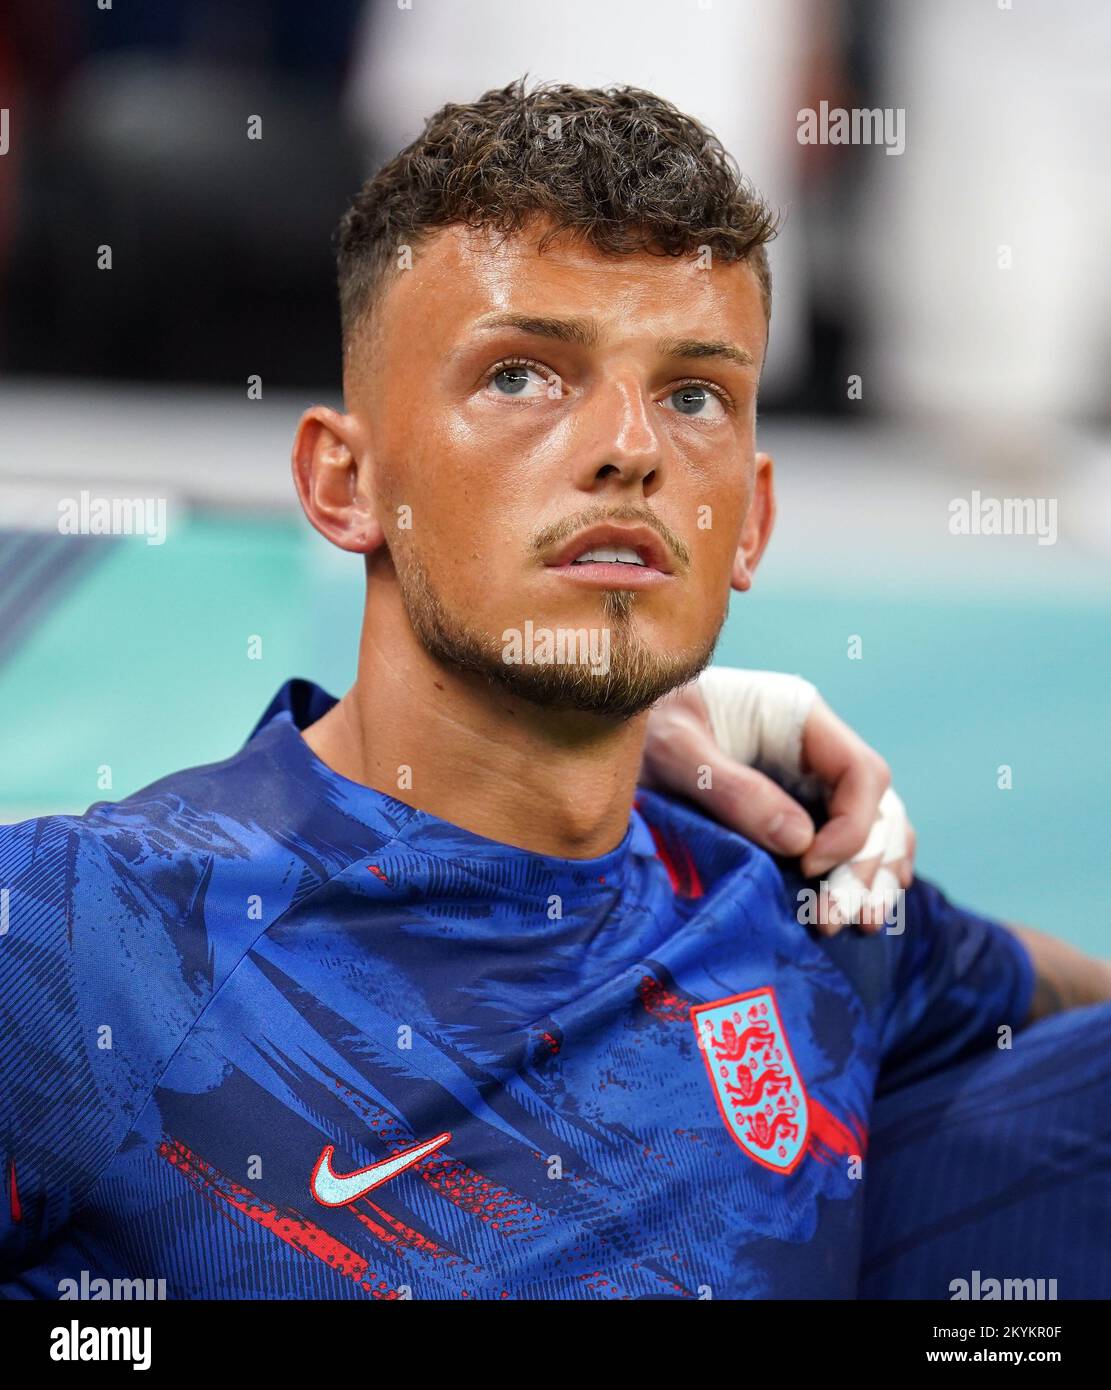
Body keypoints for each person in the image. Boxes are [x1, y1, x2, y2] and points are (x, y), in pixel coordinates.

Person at [2, 78, 1107, 1301]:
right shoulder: (77, 933)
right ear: (344, 484)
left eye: (694, 395)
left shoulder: (802, 908)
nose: (630, 445)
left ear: (751, 520)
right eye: (523, 375)